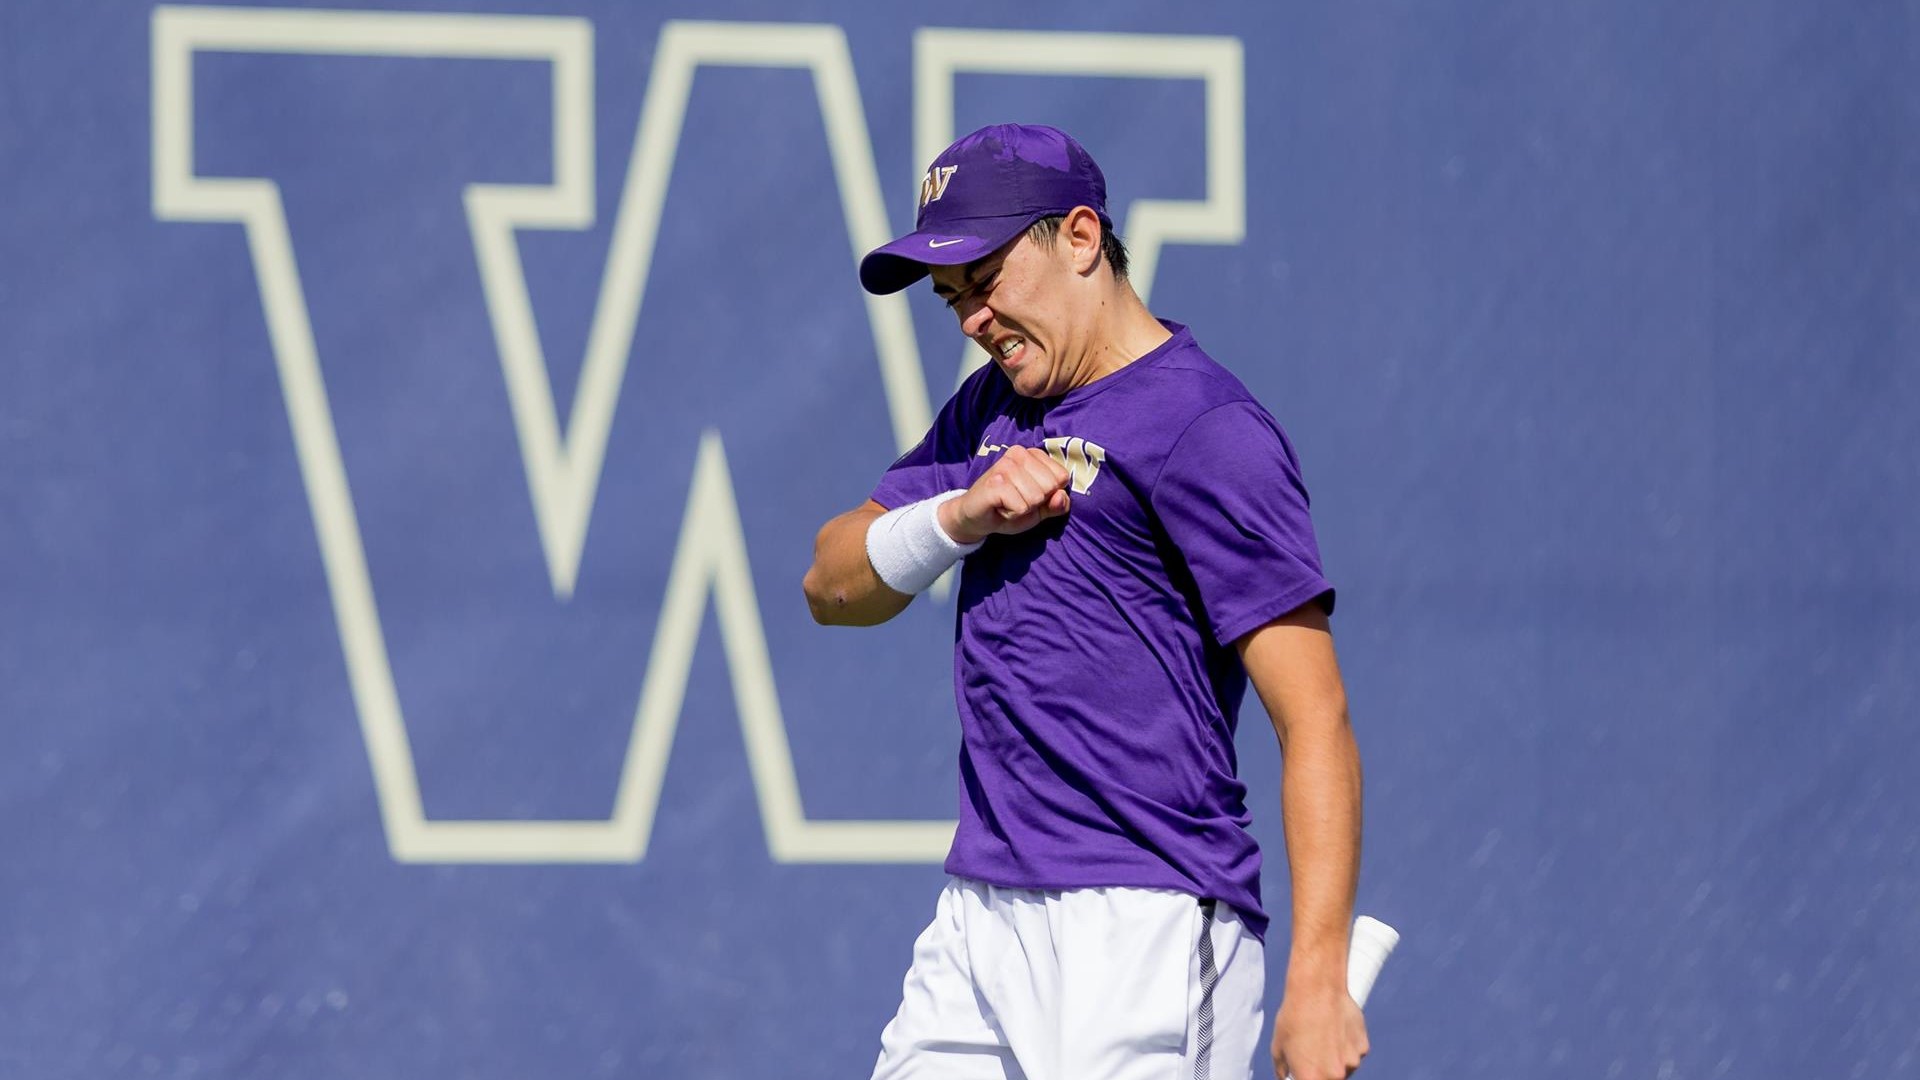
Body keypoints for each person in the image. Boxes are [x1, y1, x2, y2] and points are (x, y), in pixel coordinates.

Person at [802, 123, 1368, 1080]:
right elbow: (831, 583)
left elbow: (1315, 718)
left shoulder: (1210, 429)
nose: (973, 319)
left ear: (1077, 238)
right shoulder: (989, 413)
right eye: (952, 301)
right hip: (980, 921)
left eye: (983, 284)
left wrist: (1317, 975)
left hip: (1144, 927)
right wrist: (959, 515)